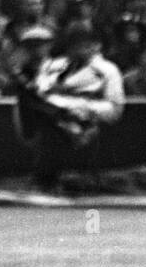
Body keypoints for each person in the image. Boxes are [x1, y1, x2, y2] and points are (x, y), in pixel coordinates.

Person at [21, 21, 125, 188]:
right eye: (75, 42)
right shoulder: (52, 66)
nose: (80, 47)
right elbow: (39, 95)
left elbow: (115, 109)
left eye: (86, 42)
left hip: (89, 124)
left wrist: (83, 108)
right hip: (53, 121)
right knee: (38, 108)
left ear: (97, 44)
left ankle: (76, 179)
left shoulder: (108, 69)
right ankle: (46, 180)